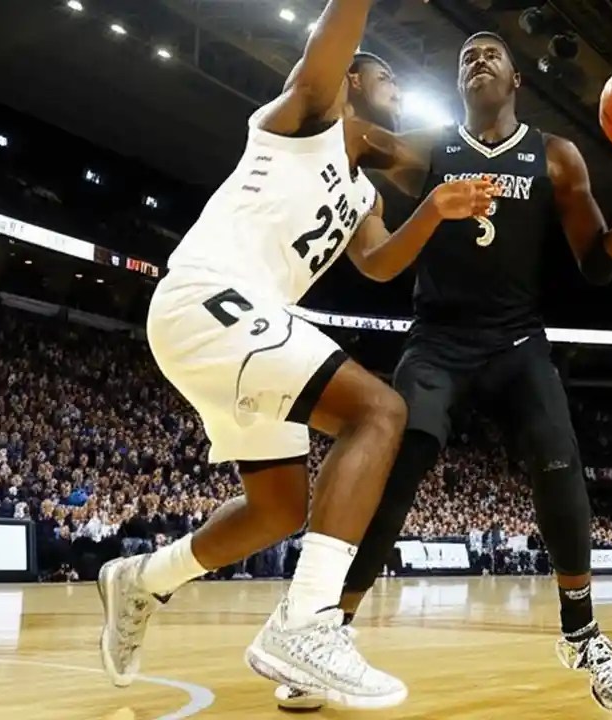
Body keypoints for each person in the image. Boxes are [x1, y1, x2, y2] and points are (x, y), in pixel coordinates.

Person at [276, 32, 612, 714]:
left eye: (491, 53)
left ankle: (583, 633)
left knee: (558, 458)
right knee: (397, 467)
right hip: (438, 340)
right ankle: (327, 632)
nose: (476, 57)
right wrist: (336, 107)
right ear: (458, 85)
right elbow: (351, 137)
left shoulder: (556, 158)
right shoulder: (428, 148)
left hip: (516, 341)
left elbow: (600, 263)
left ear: (516, 81)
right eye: (466, 53)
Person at [95, 0, 496, 710]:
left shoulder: (363, 190)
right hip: (209, 299)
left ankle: (143, 579)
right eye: (389, 84)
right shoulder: (304, 119)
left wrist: (432, 210)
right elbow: (329, 44)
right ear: (355, 79)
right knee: (379, 411)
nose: (399, 96)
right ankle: (308, 624)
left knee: (277, 510)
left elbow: (375, 265)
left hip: (244, 326)